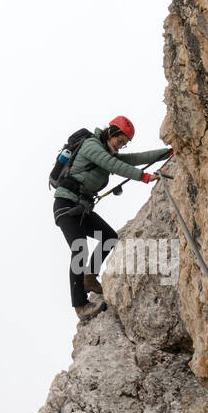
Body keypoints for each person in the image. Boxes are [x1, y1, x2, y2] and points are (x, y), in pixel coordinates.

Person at [53, 116, 171, 321]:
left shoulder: (107, 151)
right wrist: (143, 177)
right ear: (111, 132)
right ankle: (80, 305)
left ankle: (89, 277)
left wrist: (168, 152)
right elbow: (113, 165)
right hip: (66, 206)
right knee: (79, 249)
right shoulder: (92, 146)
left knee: (109, 237)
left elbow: (134, 159)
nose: (121, 146)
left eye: (124, 143)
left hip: (81, 208)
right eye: (120, 140)